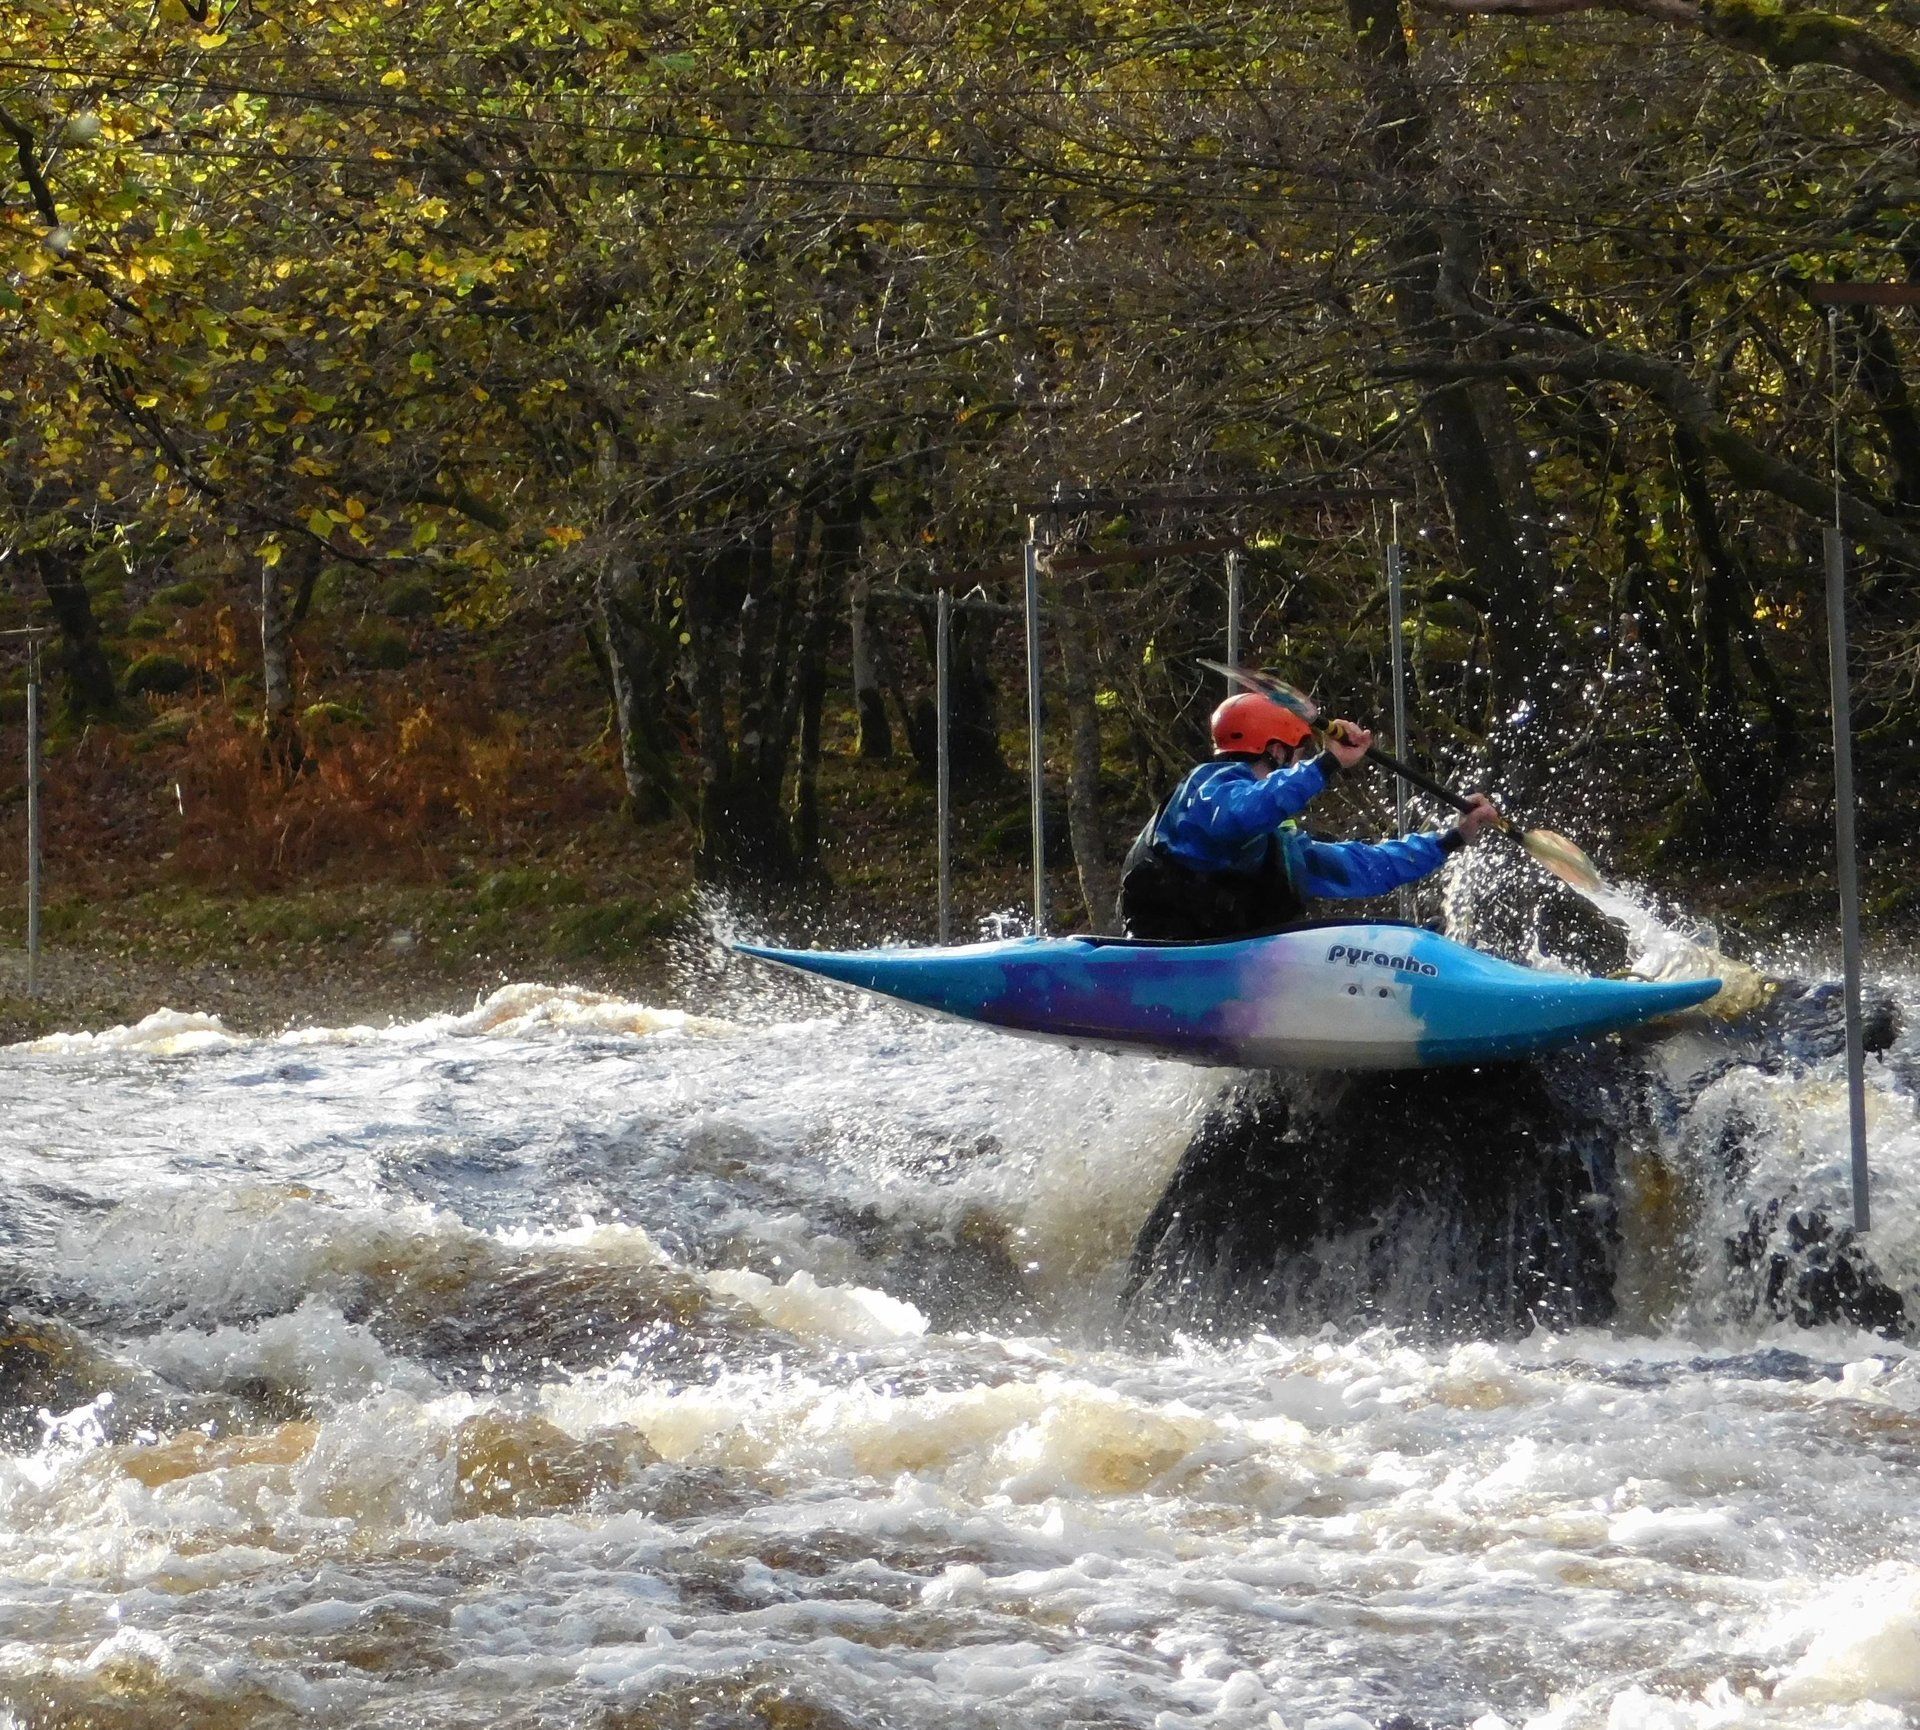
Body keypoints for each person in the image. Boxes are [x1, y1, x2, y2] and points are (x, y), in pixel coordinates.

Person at [1116, 691, 1503, 941]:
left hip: (1219, 958)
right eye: (1298, 750)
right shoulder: (1206, 792)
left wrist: (1451, 838)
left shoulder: (1270, 841)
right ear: (1275, 750)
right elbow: (1243, 813)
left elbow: (1359, 865)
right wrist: (1328, 763)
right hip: (1162, 943)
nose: (1299, 759)